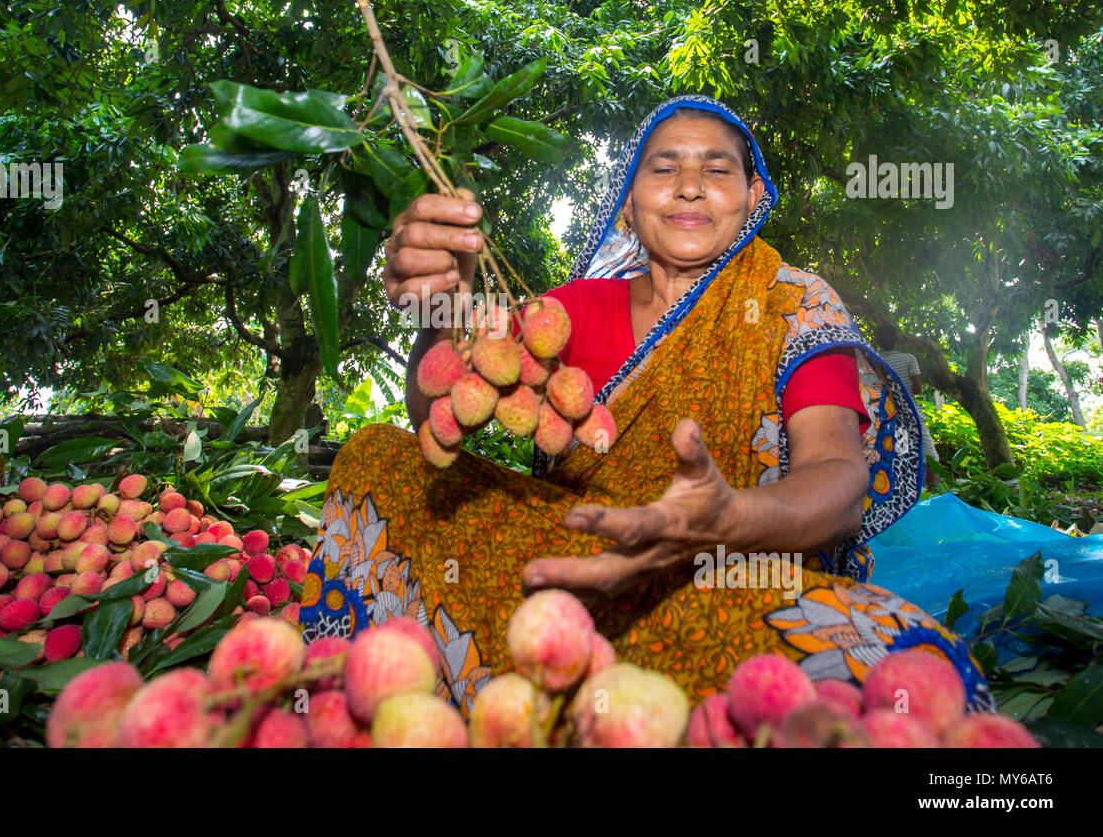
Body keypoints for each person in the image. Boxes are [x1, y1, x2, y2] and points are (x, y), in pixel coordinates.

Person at [297, 93, 994, 719]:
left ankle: (563, 692)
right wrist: (443, 308)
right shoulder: (565, 313)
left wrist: (727, 519)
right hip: (571, 566)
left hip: (738, 580)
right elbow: (435, 421)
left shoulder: (793, 302)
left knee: (900, 667)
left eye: (718, 170)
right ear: (627, 204)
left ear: (754, 198)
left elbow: (838, 478)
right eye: (663, 168)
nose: (690, 184)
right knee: (376, 457)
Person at [874, 327, 940, 487]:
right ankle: (933, 493)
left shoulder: (875, 361)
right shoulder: (909, 359)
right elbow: (917, 389)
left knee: (902, 457)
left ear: (877, 342)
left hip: (891, 417)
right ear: (896, 340)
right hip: (913, 415)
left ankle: (907, 493)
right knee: (932, 458)